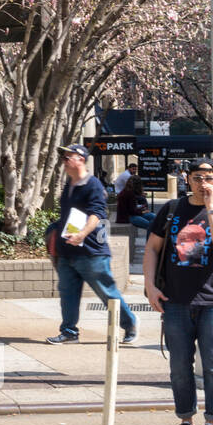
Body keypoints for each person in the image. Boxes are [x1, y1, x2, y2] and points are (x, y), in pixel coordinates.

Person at [143, 159, 213, 425]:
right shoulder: (172, 210)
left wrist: (210, 208)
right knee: (179, 366)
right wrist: (149, 287)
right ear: (188, 179)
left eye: (209, 177)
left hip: (211, 302)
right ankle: (186, 421)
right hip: (175, 301)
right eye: (197, 177)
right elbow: (152, 248)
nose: (203, 182)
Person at [45, 143, 137, 345]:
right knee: (68, 294)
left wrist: (82, 235)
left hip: (92, 253)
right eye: (63, 157)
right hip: (67, 252)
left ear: (81, 159)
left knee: (107, 292)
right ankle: (69, 331)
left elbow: (97, 214)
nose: (64, 161)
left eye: (68, 157)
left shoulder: (93, 184)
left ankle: (129, 323)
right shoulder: (69, 184)